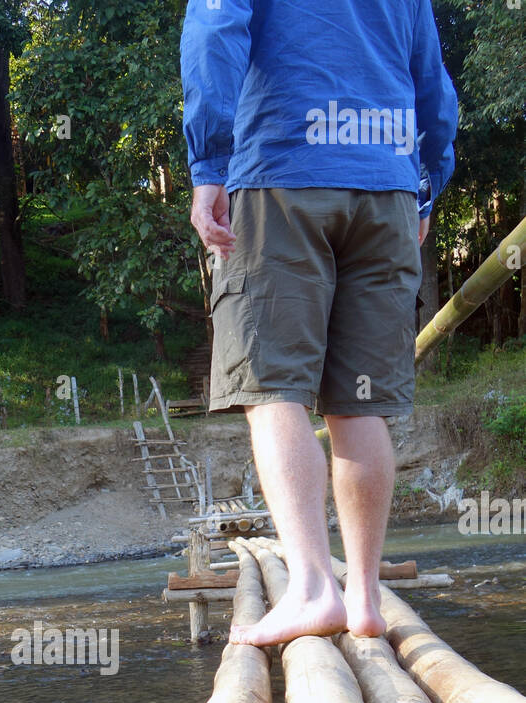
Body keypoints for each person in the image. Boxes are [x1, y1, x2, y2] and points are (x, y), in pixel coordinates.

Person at [181, 0, 458, 645]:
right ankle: (363, 596)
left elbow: (213, 33)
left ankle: (310, 588)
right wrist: (424, 182)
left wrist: (208, 166)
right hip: (385, 189)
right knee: (358, 403)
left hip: (284, 175)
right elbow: (433, 85)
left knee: (274, 388)